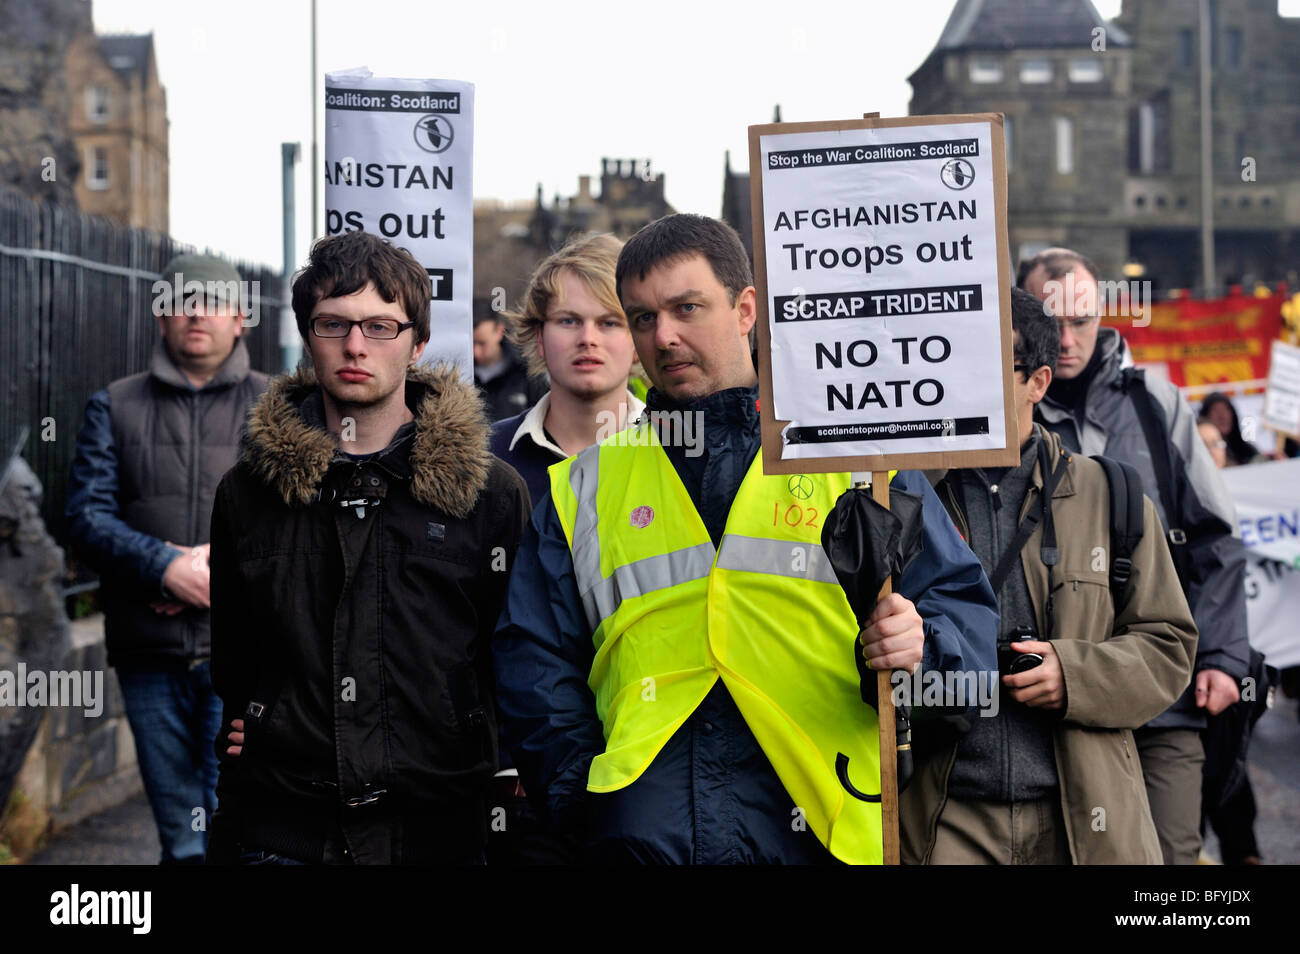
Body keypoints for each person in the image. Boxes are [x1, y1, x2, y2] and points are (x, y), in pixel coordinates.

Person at [493, 213, 998, 864]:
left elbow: (967, 643)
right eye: (643, 317)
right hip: (645, 845)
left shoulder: (861, 465)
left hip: (826, 833)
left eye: (686, 308)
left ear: (745, 309)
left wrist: (922, 656)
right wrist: (591, 804)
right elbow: (534, 668)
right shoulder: (582, 488)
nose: (664, 335)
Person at [205, 231, 530, 865]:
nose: (356, 346)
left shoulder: (490, 492)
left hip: (438, 832)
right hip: (284, 832)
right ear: (308, 335)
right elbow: (235, 662)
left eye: (381, 327)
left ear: (418, 344)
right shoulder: (249, 491)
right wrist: (258, 720)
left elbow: (513, 659)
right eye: (334, 324)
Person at [903, 288, 1197, 864]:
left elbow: (1170, 648)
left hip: (1084, 824)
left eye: (987, 368)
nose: (963, 384)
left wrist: (1076, 674)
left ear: (1038, 381)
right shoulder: (902, 497)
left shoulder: (1112, 495)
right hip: (944, 822)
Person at [1019, 247, 1251, 865]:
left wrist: (1224, 659)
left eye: (1082, 322)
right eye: (1051, 323)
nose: (1067, 341)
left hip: (1164, 699)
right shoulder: (1005, 414)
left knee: (1170, 866)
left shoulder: (1157, 402)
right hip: (1045, 696)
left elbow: (1216, 538)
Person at [65, 253, 269, 864]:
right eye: (182, 302)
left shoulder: (277, 409)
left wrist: (218, 573)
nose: (196, 315)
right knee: (180, 837)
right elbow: (84, 517)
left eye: (212, 302)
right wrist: (162, 565)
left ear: (240, 320)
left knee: (237, 830)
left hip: (243, 658)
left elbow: (301, 519)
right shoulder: (115, 405)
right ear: (161, 319)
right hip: (149, 655)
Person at [485, 233, 642, 864]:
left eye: (612, 321)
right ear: (536, 332)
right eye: (568, 320)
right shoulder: (479, 462)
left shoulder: (680, 460)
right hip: (508, 788)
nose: (589, 339)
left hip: (644, 782)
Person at [473, 309, 548, 422]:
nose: (475, 351)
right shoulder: (458, 375)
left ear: (499, 331)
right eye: (472, 343)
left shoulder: (528, 371)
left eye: (482, 343)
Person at [1200, 392, 1264, 466]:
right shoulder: (1202, 453)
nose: (1222, 416)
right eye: (1215, 410)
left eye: (1226, 409)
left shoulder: (1247, 450)